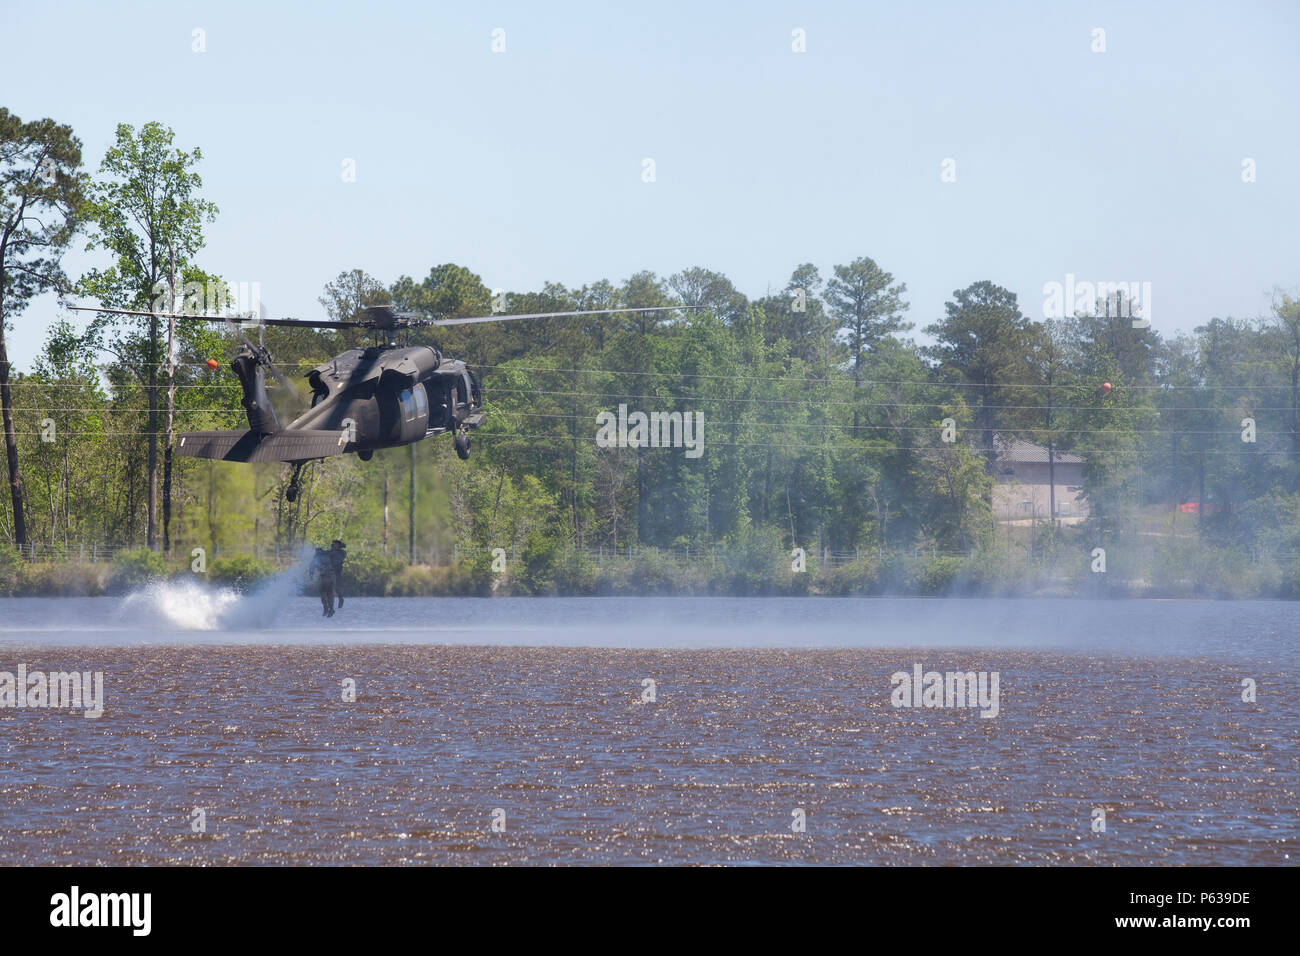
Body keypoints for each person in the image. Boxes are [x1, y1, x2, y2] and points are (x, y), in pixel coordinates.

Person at [311, 546, 336, 617]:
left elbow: (312, 566)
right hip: (333, 575)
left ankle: (326, 608)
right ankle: (331, 609)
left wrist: (311, 574)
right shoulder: (328, 555)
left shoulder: (317, 557)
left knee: (322, 591)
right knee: (330, 592)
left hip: (325, 576)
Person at [329, 539, 347, 609]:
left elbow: (340, 559)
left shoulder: (342, 552)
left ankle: (341, 599)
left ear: (339, 545)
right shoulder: (330, 551)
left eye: (336, 544)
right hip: (330, 572)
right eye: (334, 544)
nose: (335, 545)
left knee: (337, 587)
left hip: (337, 572)